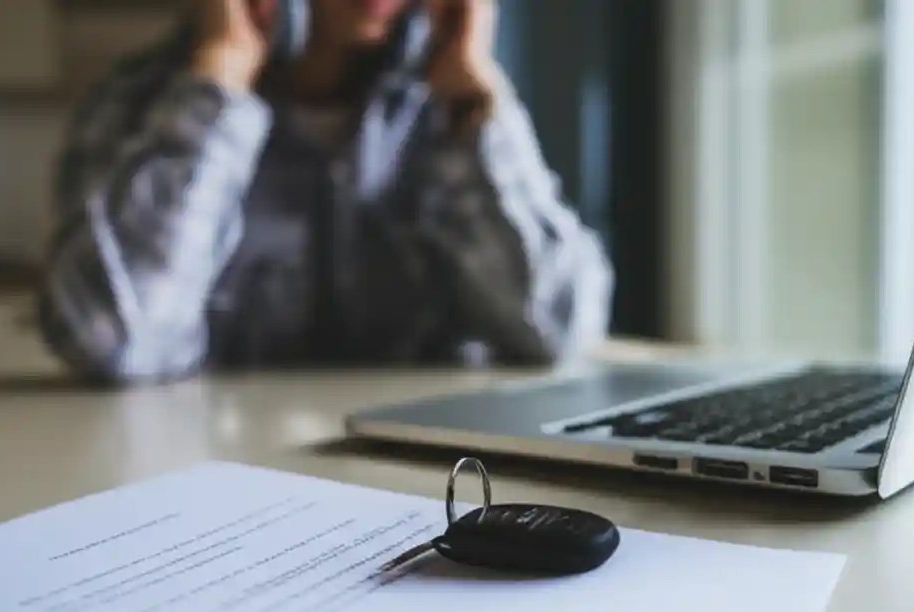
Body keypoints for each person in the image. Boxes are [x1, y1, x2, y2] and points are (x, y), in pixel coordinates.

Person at [39, 0, 612, 383]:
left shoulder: (445, 100)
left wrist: (473, 102)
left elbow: (559, 329)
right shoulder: (141, 102)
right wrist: (222, 72)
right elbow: (112, 340)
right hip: (218, 489)